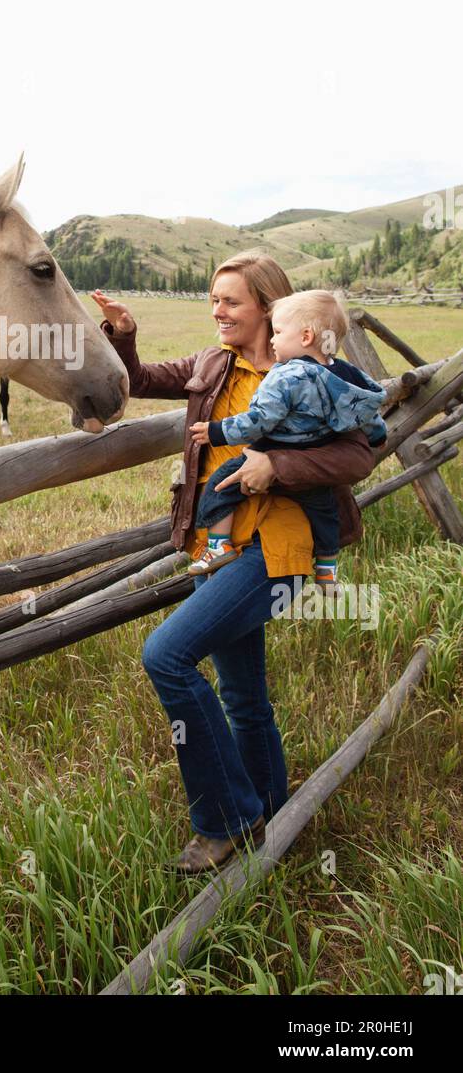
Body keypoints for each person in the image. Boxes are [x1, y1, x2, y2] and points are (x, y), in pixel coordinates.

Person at [90, 254, 375, 876]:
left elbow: (359, 456)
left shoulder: (315, 372)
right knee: (244, 695)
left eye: (231, 302)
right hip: (219, 548)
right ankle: (271, 813)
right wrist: (124, 330)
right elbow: (135, 380)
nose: (217, 311)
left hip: (280, 551)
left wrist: (281, 466)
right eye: (213, 300)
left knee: (166, 655)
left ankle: (225, 819)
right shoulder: (212, 365)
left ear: (268, 309)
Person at [188, 289, 387, 587]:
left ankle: (218, 546)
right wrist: (377, 436)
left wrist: (216, 432)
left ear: (306, 337)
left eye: (278, 332)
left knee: (221, 486)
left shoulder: (286, 376)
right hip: (310, 466)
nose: (272, 339)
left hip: (272, 450)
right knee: (324, 513)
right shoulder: (346, 375)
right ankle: (327, 571)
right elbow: (368, 414)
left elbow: (258, 421)